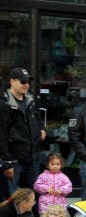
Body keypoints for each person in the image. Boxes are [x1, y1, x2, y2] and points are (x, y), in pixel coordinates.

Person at [0, 67, 45, 197]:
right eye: (23, 81)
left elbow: (37, 119)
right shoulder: (4, 104)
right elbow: (1, 135)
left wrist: (41, 129)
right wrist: (7, 162)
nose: (27, 85)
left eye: (28, 82)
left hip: (32, 159)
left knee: (31, 198)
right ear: (12, 81)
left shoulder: (30, 100)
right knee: (11, 199)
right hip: (14, 161)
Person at [33, 152, 72, 216]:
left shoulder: (63, 177)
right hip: (45, 205)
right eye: (52, 164)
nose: (55, 166)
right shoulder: (43, 176)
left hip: (60, 204)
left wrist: (61, 190)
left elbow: (69, 186)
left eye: (58, 164)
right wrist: (46, 189)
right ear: (48, 165)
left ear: (61, 165)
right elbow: (36, 185)